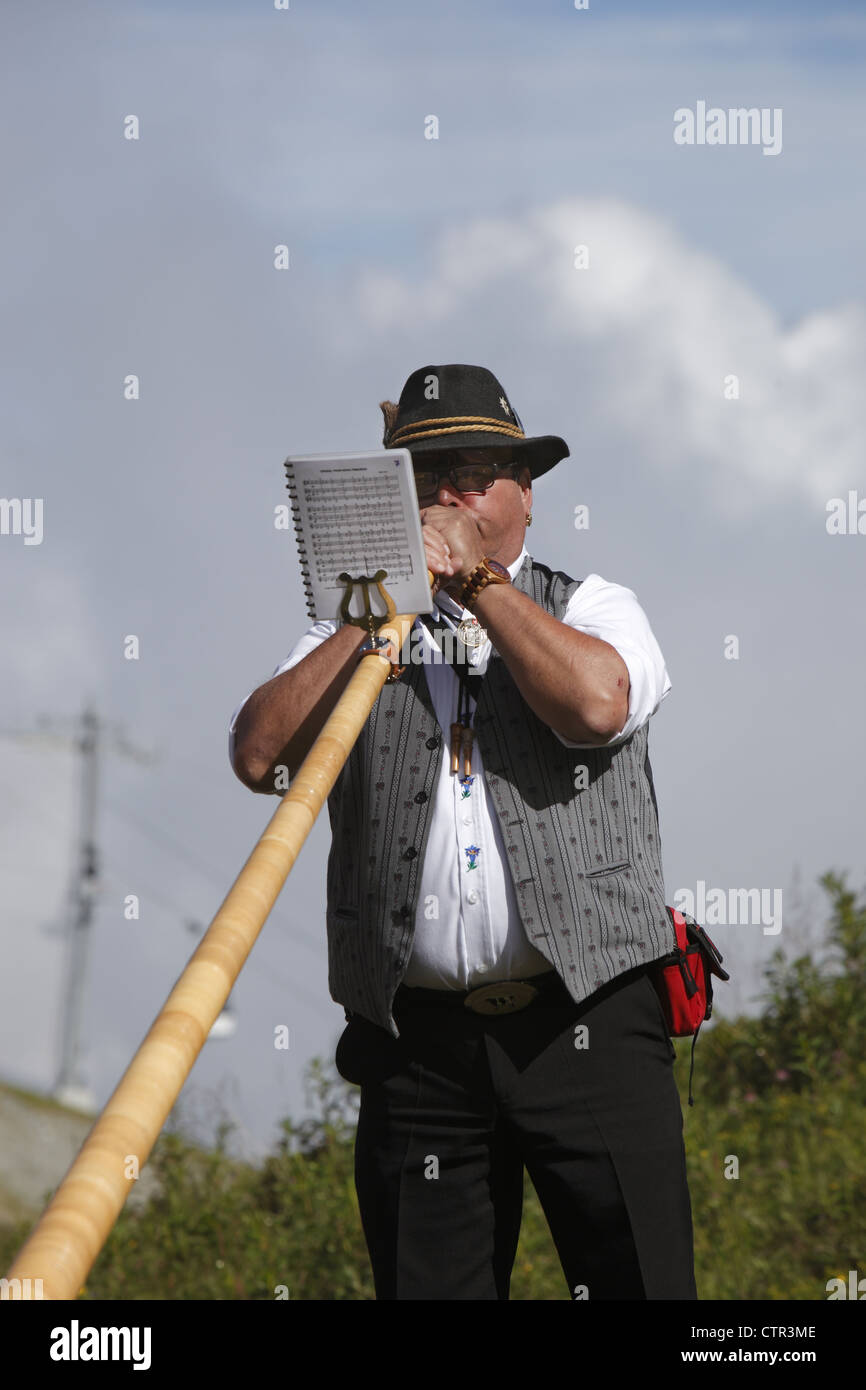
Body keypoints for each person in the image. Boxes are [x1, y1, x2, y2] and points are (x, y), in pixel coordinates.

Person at [229, 363, 696, 1301]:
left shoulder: (596, 604)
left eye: (475, 474)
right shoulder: (353, 629)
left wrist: (475, 581)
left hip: (589, 1020)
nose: (448, 496)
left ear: (525, 494)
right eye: (425, 480)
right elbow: (260, 756)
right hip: (419, 1051)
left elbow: (597, 705)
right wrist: (375, 615)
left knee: (642, 1287)